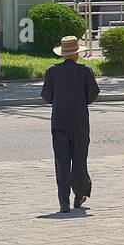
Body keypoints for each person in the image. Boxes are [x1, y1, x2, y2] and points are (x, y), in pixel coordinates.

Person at [41, 36, 100, 213]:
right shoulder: (85, 71)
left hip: (59, 121)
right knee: (80, 160)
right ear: (77, 54)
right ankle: (79, 195)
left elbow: (46, 96)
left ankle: (63, 201)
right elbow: (93, 95)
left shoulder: (52, 71)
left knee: (62, 162)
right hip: (80, 121)